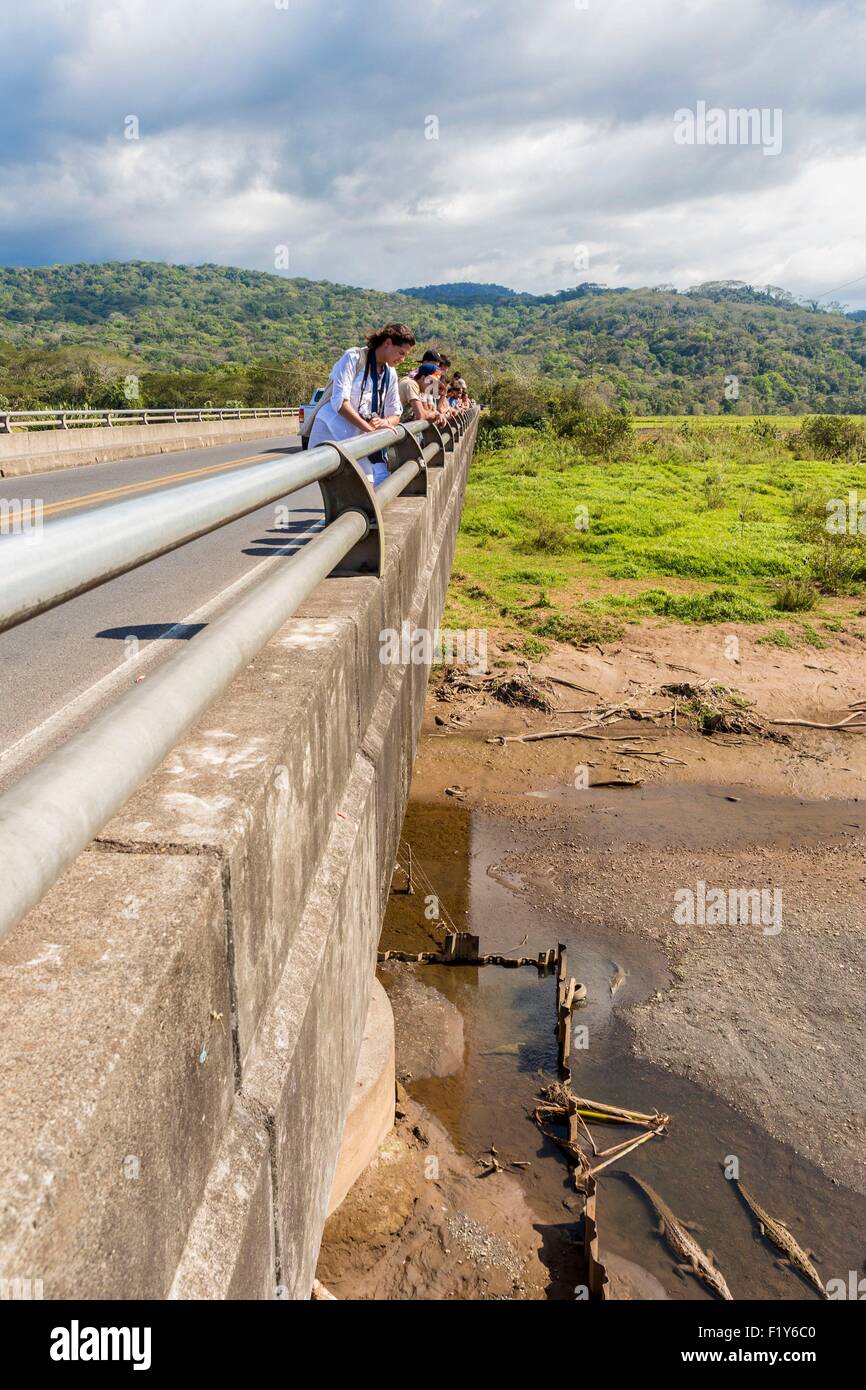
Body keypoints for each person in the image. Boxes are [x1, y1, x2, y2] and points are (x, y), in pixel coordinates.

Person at [309, 323, 416, 484]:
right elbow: (340, 403)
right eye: (401, 353)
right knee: (338, 486)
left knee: (366, 484)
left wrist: (384, 422)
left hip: (359, 438)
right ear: (387, 343)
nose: (402, 359)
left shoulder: (390, 373)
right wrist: (368, 428)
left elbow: (395, 414)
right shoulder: (354, 357)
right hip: (331, 430)